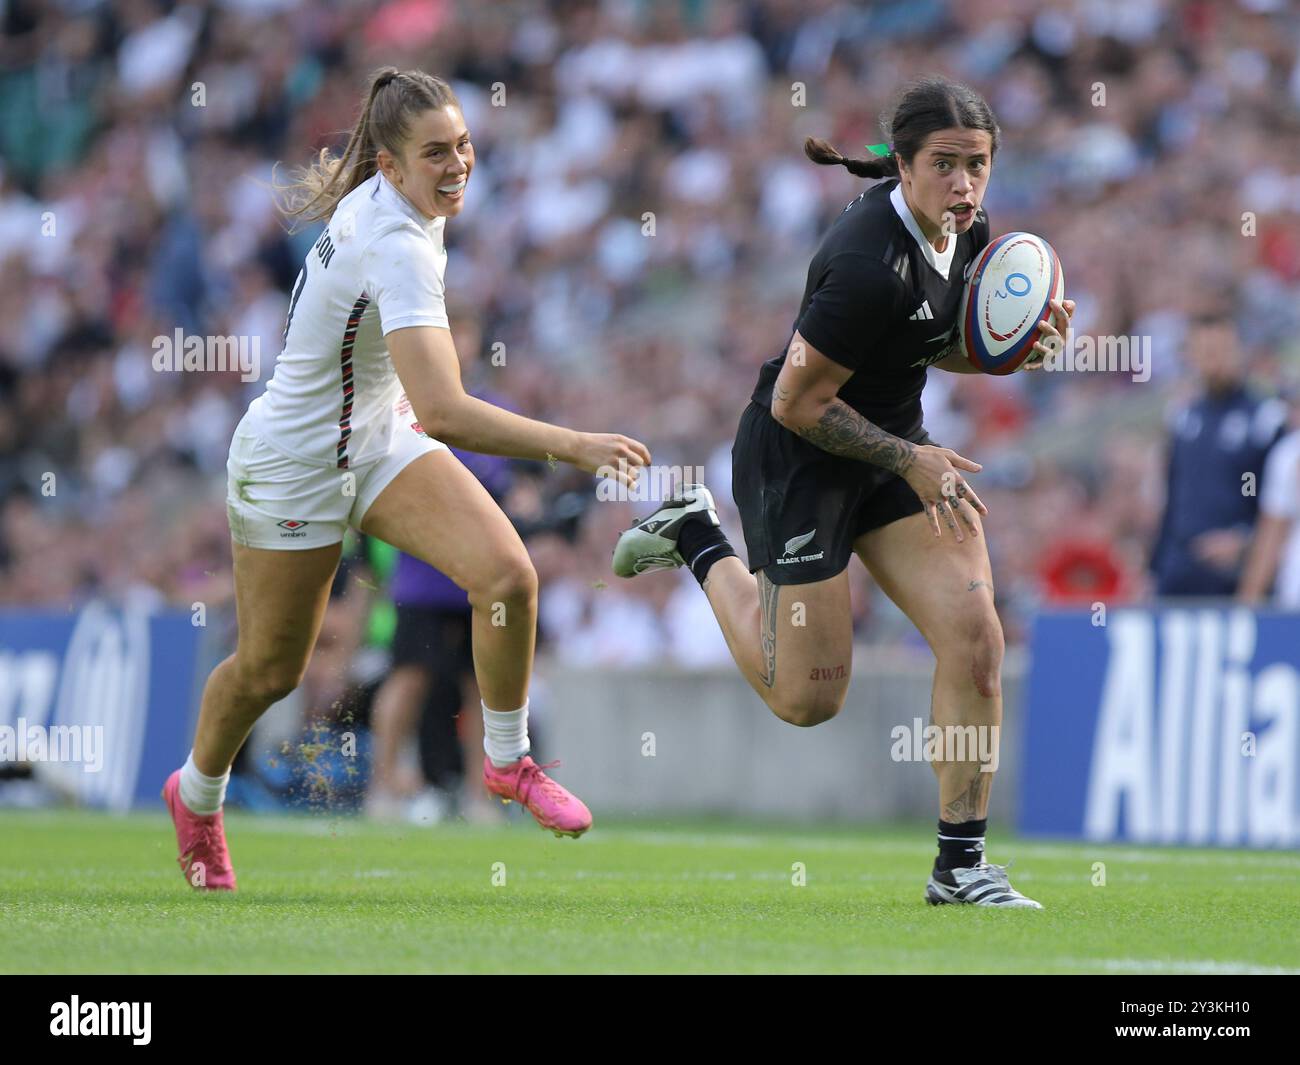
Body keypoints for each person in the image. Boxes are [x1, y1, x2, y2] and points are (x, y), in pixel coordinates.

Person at [162, 67, 650, 891]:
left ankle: (506, 764)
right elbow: (450, 411)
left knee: (506, 576)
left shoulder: (411, 207)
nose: (458, 164)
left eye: (463, 145)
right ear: (390, 165)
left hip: (379, 436)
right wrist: (572, 443)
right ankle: (198, 796)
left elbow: (417, 400)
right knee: (270, 671)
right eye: (436, 153)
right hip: (295, 465)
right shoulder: (395, 242)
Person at [613, 77, 1072, 908]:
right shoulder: (867, 260)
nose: (965, 185)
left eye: (979, 164)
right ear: (902, 165)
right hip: (799, 458)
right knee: (807, 698)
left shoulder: (971, 233)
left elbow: (931, 342)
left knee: (977, 637)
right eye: (945, 165)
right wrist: (909, 459)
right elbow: (797, 401)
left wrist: (1013, 351)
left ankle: (960, 867)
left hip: (893, 451)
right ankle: (696, 536)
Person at [1150, 312, 1287, 597]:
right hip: (1180, 570)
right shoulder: (1183, 417)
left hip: (1237, 576)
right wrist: (1156, 565)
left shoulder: (1266, 419)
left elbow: (1280, 503)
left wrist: (1244, 540)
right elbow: (1173, 497)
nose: (1213, 361)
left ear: (1240, 352)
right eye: (1204, 352)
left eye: (1221, 351)